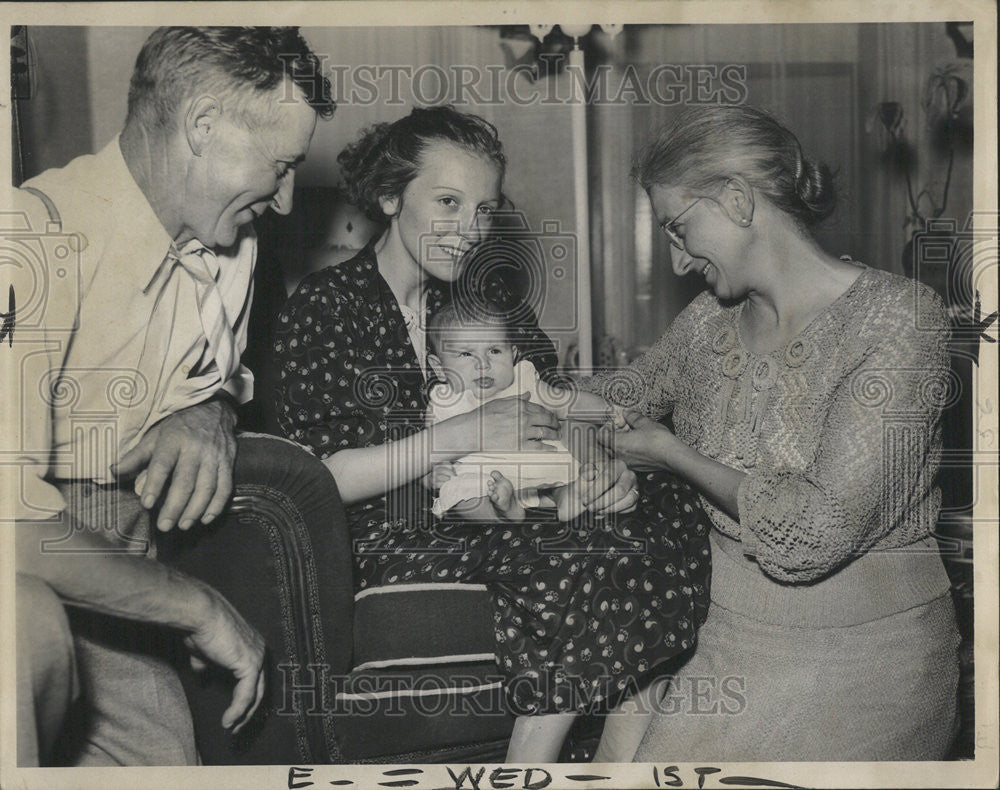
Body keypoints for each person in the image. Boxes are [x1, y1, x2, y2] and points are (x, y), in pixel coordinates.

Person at [272, 105, 711, 762]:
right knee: (576, 543)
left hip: (516, 495)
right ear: (391, 195)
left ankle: (616, 761)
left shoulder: (488, 302)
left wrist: (598, 470)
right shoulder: (328, 305)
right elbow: (323, 477)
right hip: (399, 523)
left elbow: (551, 408)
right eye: (448, 200)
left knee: (671, 504)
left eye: (485, 208)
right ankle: (530, 762)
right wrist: (468, 433)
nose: (471, 229)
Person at [589, 105, 960, 762]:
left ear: (736, 200)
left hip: (869, 664)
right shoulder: (709, 321)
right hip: (731, 640)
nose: (676, 263)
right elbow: (624, 397)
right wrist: (515, 393)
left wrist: (671, 454)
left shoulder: (901, 320)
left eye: (678, 229)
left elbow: (817, 531)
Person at [6, 26, 334, 766]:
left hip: (125, 538)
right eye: (279, 166)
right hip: (36, 546)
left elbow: (224, 369)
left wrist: (213, 407)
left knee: (162, 762)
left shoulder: (232, 238)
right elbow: (11, 525)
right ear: (203, 125)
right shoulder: (32, 240)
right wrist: (196, 606)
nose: (285, 203)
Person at [425, 297, 628, 522]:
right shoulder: (444, 402)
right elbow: (428, 453)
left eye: (494, 351)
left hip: (541, 466)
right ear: (439, 368)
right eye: (466, 354)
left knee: (573, 464)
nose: (483, 364)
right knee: (459, 494)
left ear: (512, 354)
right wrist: (432, 475)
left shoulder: (523, 382)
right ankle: (504, 512)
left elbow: (569, 401)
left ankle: (568, 496)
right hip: (485, 480)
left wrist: (609, 411)